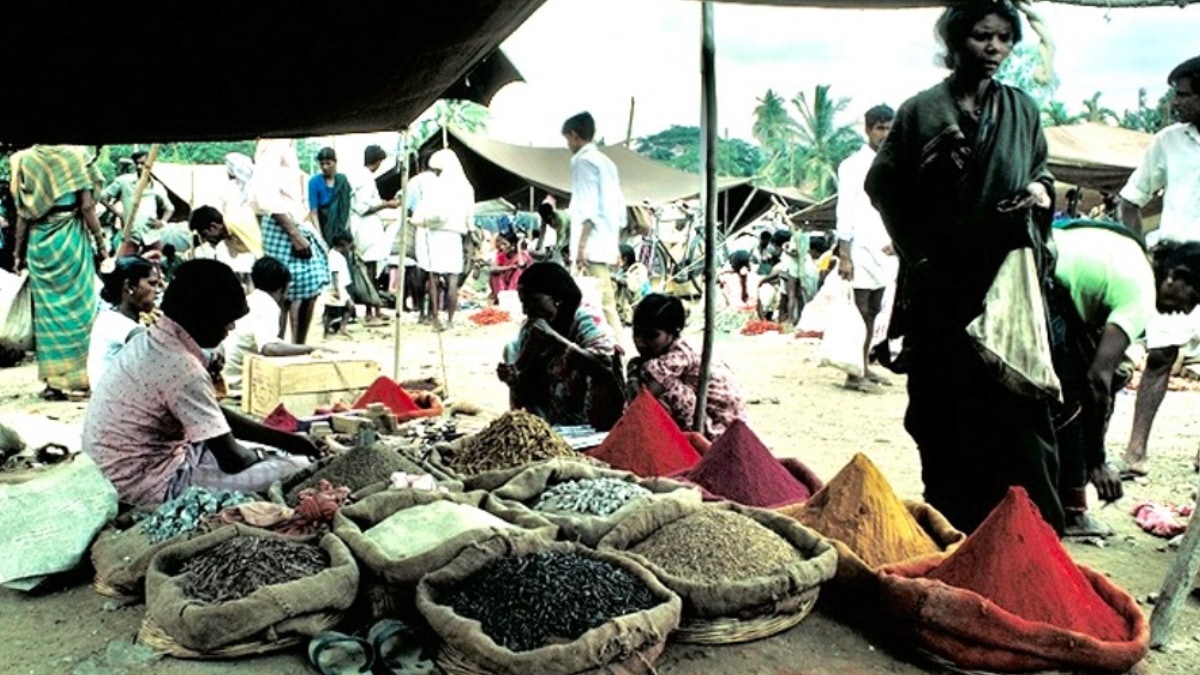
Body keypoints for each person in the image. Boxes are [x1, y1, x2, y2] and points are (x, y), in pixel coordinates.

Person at [865, 2, 1064, 534]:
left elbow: (1043, 173)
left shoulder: (1021, 110)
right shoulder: (922, 111)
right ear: (956, 44)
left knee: (1013, 405)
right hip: (938, 281)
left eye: (1003, 39)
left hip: (1003, 286)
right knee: (941, 407)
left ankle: (1021, 531)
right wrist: (920, 248)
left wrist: (1038, 192)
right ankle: (951, 521)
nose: (994, 48)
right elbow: (882, 187)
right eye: (982, 37)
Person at [82, 259, 318, 506]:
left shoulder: (155, 339)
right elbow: (233, 459)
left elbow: (210, 413)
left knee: (274, 451)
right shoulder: (182, 368)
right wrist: (267, 454)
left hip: (119, 467)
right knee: (295, 467)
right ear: (204, 315)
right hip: (145, 484)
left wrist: (284, 439)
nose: (232, 327)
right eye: (227, 319)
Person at [1116, 55, 1200, 479]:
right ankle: (1135, 451)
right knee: (1161, 355)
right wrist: (1137, 252)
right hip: (1178, 267)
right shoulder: (1168, 141)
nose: (1174, 103)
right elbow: (1130, 200)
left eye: (1183, 96)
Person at [1047, 222, 1158, 537]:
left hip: (1043, 266)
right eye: (1193, 297)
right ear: (1176, 278)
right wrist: (1098, 460)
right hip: (1048, 283)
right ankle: (1071, 510)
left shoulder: (1133, 254)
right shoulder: (1142, 295)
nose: (1186, 310)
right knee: (1073, 403)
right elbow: (1098, 379)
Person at [10, 145, 110, 400]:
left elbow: (23, 214)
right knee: (82, 312)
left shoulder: (24, 160)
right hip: (71, 243)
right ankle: (84, 378)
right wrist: (101, 242)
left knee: (47, 317)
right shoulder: (77, 157)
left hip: (40, 245)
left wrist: (18, 253)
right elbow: (87, 207)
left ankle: (53, 383)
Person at [496, 262, 624, 430]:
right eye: (523, 303)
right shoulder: (533, 327)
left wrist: (555, 338)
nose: (526, 310)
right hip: (551, 418)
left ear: (557, 297)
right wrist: (514, 378)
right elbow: (527, 384)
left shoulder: (584, 318)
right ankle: (540, 431)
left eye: (534, 301)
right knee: (512, 348)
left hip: (589, 419)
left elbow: (604, 366)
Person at [836, 104, 898, 392]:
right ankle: (853, 373)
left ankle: (863, 364)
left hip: (884, 248)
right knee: (859, 310)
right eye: (880, 128)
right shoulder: (852, 166)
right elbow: (844, 212)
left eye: (889, 128)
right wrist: (844, 254)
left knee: (874, 309)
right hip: (859, 247)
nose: (885, 134)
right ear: (868, 129)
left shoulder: (896, 163)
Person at [626, 293, 746, 439]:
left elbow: (642, 402)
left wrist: (632, 376)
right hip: (712, 419)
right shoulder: (665, 354)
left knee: (664, 385)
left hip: (719, 429)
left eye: (651, 336)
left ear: (673, 333)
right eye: (636, 334)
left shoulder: (678, 355)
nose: (640, 342)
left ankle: (687, 441)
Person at [251, 138, 330, 345]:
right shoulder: (272, 143)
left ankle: (297, 345)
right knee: (282, 290)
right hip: (281, 222)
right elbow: (266, 195)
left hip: (294, 219)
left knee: (309, 287)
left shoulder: (288, 143)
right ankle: (278, 344)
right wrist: (294, 234)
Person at [563, 112, 627, 335]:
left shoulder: (584, 162)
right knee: (597, 300)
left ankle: (619, 347)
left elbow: (588, 209)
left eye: (567, 139)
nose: (568, 144)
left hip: (591, 243)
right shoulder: (606, 163)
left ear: (574, 135)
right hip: (604, 240)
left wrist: (581, 247)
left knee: (603, 303)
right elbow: (619, 207)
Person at [222, 256, 319, 395]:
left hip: (228, 375)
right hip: (239, 385)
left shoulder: (251, 299)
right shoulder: (267, 306)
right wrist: (310, 349)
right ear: (284, 288)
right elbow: (269, 348)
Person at [411, 148, 474, 329]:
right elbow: (470, 218)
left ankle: (435, 317)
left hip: (437, 234)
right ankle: (451, 320)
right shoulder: (466, 187)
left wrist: (421, 222)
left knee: (434, 279)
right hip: (455, 236)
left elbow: (429, 213)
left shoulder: (438, 186)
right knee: (453, 280)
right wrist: (469, 236)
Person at [87, 256, 160, 387]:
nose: (157, 291)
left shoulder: (130, 320)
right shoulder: (113, 322)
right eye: (152, 284)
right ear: (130, 286)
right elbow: (156, 348)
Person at [350, 145, 401, 324]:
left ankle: (375, 308)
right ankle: (371, 311)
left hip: (366, 227)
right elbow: (364, 207)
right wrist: (388, 205)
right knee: (370, 270)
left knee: (372, 270)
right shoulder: (364, 178)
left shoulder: (360, 176)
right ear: (378, 161)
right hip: (365, 228)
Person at [100, 150, 173, 253]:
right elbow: (102, 197)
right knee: (126, 265)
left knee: (154, 263)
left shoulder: (157, 186)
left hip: (151, 234)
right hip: (130, 234)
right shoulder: (124, 182)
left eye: (143, 163)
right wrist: (119, 214)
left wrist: (162, 222)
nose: (139, 167)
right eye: (137, 163)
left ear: (150, 164)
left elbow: (169, 208)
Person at [306, 147, 352, 248]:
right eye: (322, 164)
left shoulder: (342, 181)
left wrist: (345, 232)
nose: (325, 167)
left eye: (328, 163)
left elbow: (347, 208)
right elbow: (314, 212)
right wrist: (320, 237)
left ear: (335, 162)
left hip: (341, 232)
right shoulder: (314, 182)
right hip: (323, 229)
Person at [323, 233, 355, 336]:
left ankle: (342, 327)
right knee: (330, 310)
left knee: (350, 307)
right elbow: (334, 273)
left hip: (341, 287)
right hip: (335, 287)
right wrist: (337, 289)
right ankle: (326, 330)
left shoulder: (338, 255)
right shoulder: (334, 256)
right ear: (344, 244)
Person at [489, 230, 531, 303]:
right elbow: (492, 268)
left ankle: (512, 296)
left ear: (512, 246)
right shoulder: (501, 255)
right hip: (505, 284)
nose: (502, 247)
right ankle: (500, 297)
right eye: (501, 244)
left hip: (519, 286)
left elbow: (521, 265)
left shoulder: (522, 254)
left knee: (519, 271)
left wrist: (518, 247)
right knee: (495, 274)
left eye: (505, 244)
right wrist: (510, 267)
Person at [614, 243, 649, 325]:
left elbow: (634, 285)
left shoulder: (639, 269)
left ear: (625, 260)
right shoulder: (621, 270)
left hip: (638, 302)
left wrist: (620, 280)